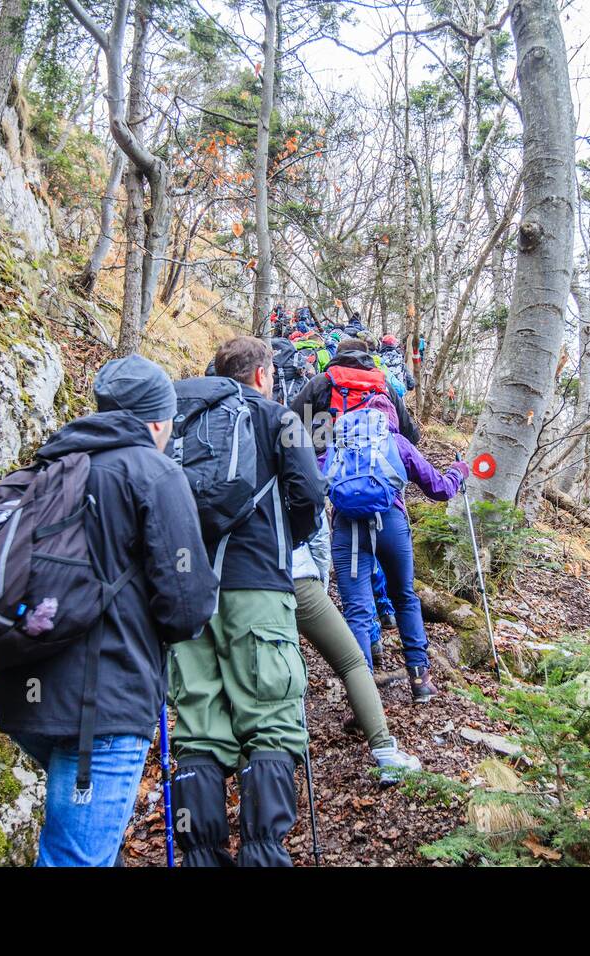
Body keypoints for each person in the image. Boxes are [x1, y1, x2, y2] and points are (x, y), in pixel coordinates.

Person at [0, 355, 219, 867]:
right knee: (75, 857)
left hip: (29, 695)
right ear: (158, 421)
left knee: (88, 845)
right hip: (103, 703)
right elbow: (188, 605)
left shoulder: (51, 465)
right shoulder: (153, 472)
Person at [168, 336, 326, 867]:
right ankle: (263, 851)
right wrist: (289, 541)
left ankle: (202, 856)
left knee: (197, 722)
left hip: (186, 593)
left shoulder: (178, 420)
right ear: (262, 376)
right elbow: (308, 493)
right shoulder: (279, 417)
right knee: (271, 714)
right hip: (258, 582)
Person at [327, 393, 468, 703]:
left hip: (347, 529)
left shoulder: (342, 442)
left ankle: (361, 696)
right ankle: (420, 679)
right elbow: (440, 489)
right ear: (392, 418)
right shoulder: (399, 444)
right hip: (390, 522)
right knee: (404, 597)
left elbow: (317, 480)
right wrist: (459, 471)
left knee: (357, 611)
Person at [292, 511, 420, 780]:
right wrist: (320, 578)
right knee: (352, 662)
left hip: (234, 583)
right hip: (295, 572)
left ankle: (261, 775)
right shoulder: (282, 467)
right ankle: (386, 753)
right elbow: (312, 510)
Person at [289, 337, 420, 453]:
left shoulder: (321, 381)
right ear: (367, 356)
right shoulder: (383, 384)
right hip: (376, 464)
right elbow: (411, 434)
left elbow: (292, 423)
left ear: (337, 355)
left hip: (327, 464)